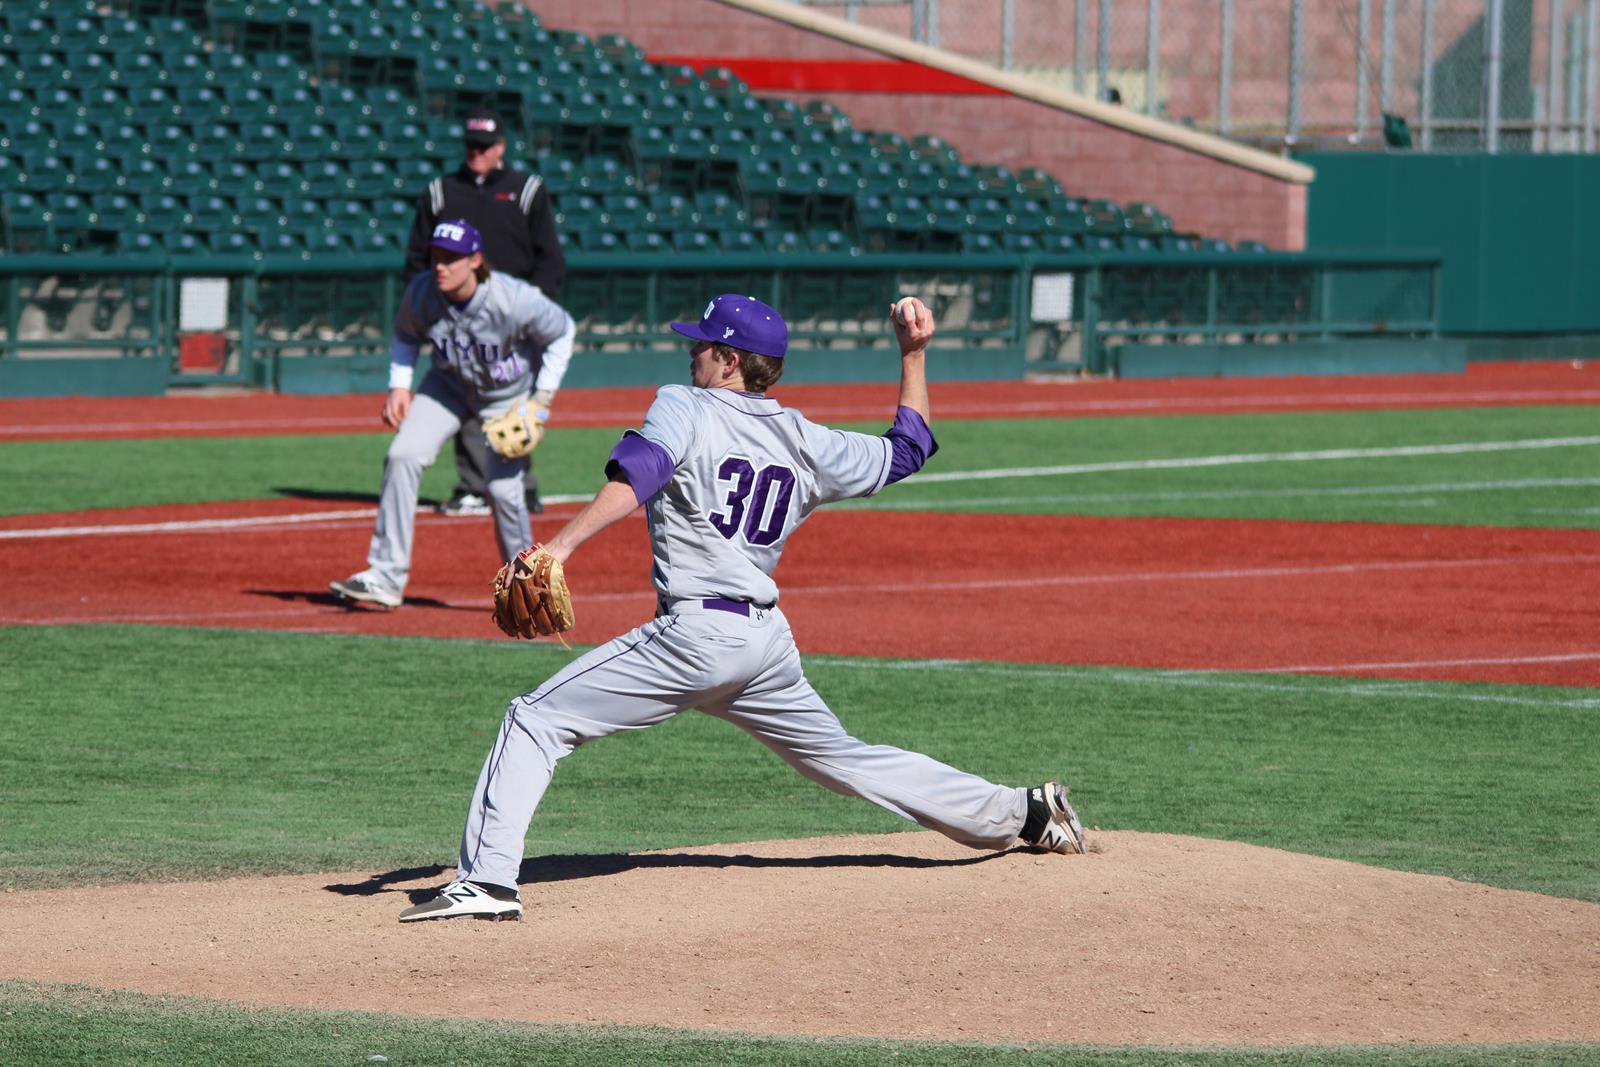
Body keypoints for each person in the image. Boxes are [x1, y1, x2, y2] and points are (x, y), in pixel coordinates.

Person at [398, 293, 1085, 923]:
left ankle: (486, 882)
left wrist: (562, 545)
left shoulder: (684, 403)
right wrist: (913, 354)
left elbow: (642, 468)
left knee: (536, 717)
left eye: (701, 344)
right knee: (847, 759)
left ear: (729, 361)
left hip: (697, 637)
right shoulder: (804, 438)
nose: (689, 351)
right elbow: (909, 448)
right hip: (764, 645)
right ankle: (1025, 813)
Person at [331, 219, 575, 609]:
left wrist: (541, 399)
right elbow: (406, 335)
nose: (440, 266)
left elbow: (563, 331)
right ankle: (385, 576)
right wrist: (399, 384)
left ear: (475, 260)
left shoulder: (514, 299)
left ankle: (525, 587)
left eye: (451, 258)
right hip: (447, 387)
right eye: (436, 257)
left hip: (505, 397)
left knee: (502, 491)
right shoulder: (423, 291)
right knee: (402, 455)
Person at [403, 107, 568, 519]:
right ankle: (473, 485)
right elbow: (417, 255)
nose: (476, 152)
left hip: (515, 315)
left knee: (513, 405)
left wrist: (538, 304)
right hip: (457, 312)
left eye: (484, 145)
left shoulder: (526, 189)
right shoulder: (442, 191)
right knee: (464, 395)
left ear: (500, 147)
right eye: (470, 145)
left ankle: (520, 486)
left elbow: (550, 255)